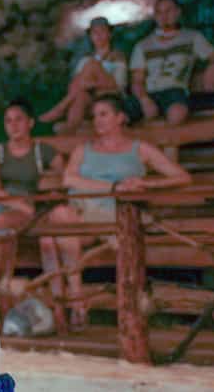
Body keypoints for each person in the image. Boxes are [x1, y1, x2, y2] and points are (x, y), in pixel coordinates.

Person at [50, 94, 192, 327]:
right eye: (94, 116)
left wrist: (147, 183)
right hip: (84, 214)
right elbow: (69, 179)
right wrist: (113, 187)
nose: (97, 120)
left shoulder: (139, 149)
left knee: (118, 232)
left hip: (119, 215)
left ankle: (128, 304)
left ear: (121, 117)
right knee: (60, 215)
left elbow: (182, 177)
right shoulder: (83, 150)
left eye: (104, 114)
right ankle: (77, 299)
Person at [0, 99, 65, 302]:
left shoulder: (43, 152)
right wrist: (21, 205)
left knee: (1, 225)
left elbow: (63, 178)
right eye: (8, 121)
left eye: (19, 120)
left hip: (24, 208)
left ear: (30, 123)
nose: (13, 125)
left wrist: (48, 189)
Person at [128, 0, 214, 125]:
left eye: (168, 11)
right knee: (121, 115)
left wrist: (213, 66)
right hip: (148, 93)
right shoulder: (143, 45)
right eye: (159, 12)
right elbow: (137, 80)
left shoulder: (192, 37)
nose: (164, 16)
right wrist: (144, 100)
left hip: (174, 91)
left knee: (176, 114)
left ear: (177, 12)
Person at [40, 17, 128, 131]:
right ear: (90, 36)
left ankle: (60, 108)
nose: (98, 36)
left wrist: (93, 84)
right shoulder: (84, 59)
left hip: (111, 96)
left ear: (109, 34)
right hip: (91, 97)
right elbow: (75, 85)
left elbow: (119, 85)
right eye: (95, 33)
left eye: (102, 31)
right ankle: (72, 126)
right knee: (80, 96)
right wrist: (88, 85)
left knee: (92, 64)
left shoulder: (117, 56)